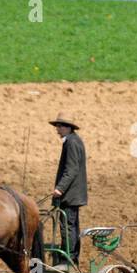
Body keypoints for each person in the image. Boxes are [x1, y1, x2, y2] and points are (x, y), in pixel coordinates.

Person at [49, 113, 87, 265]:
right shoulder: (73, 141)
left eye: (59, 126)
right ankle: (71, 258)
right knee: (71, 226)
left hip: (70, 195)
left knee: (68, 227)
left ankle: (68, 259)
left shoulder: (71, 142)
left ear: (67, 127)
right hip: (73, 194)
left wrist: (60, 189)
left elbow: (71, 170)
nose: (57, 129)